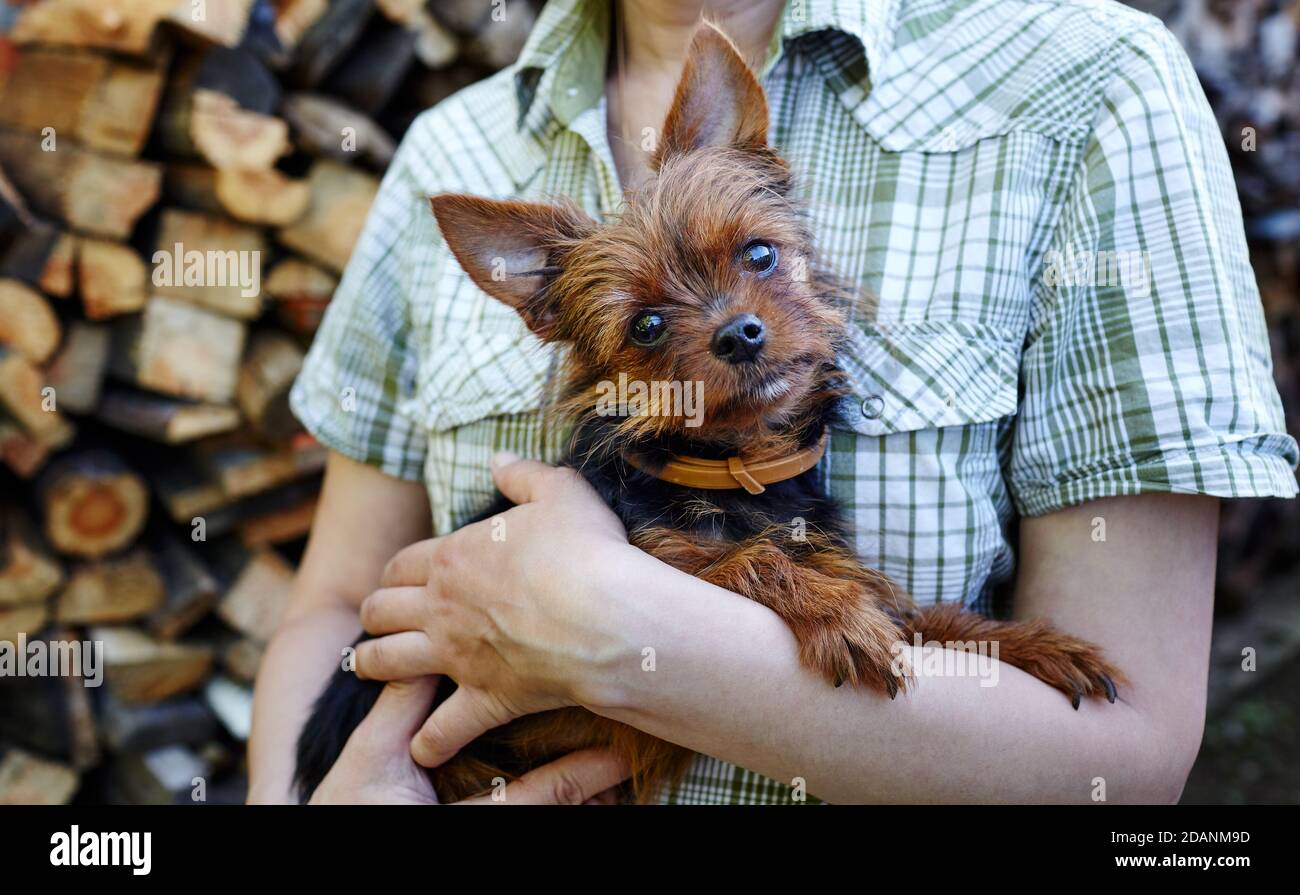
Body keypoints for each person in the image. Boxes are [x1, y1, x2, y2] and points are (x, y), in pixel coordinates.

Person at [247, 0, 1298, 804]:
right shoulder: (449, 148)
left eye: (758, 261)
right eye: (651, 328)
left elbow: (1131, 752)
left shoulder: (1084, 82)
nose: (737, 327)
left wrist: (615, 627)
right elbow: (334, 602)